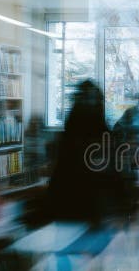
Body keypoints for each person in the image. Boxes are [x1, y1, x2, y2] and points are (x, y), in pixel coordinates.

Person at [48, 80, 134, 224]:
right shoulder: (99, 130)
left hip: (68, 202)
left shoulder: (72, 126)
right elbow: (111, 168)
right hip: (92, 204)